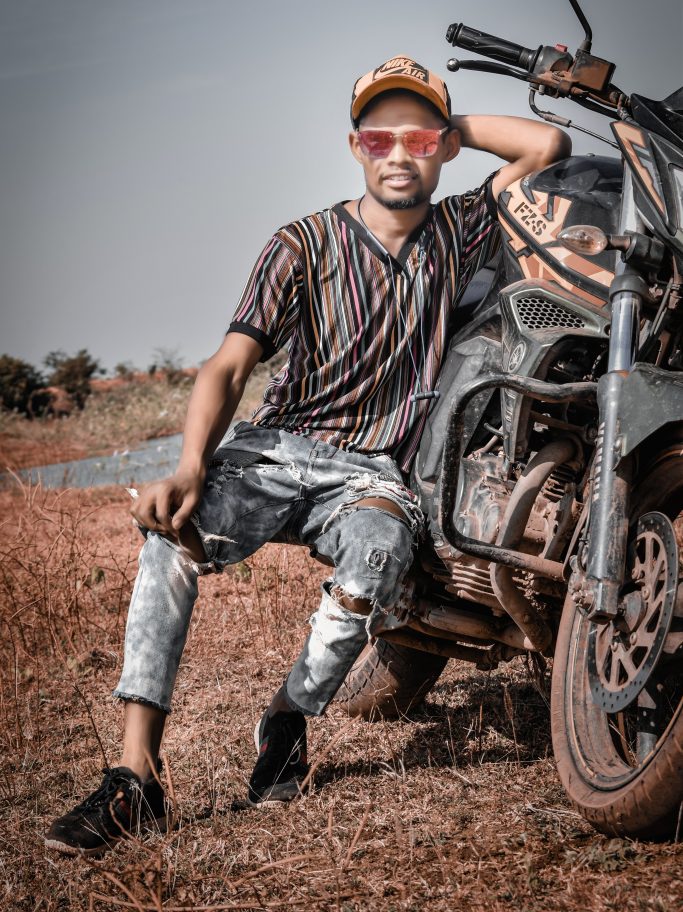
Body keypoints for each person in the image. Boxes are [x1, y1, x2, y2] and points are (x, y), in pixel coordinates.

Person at [46, 55, 570, 853]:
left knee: (380, 554)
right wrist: (190, 465)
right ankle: (135, 777)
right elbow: (228, 366)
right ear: (355, 147)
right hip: (276, 450)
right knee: (170, 538)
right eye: (378, 138)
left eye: (418, 139)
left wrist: (443, 130)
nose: (398, 154)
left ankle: (288, 717)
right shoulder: (301, 243)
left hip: (371, 476)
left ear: (442, 147)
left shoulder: (460, 230)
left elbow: (546, 147)